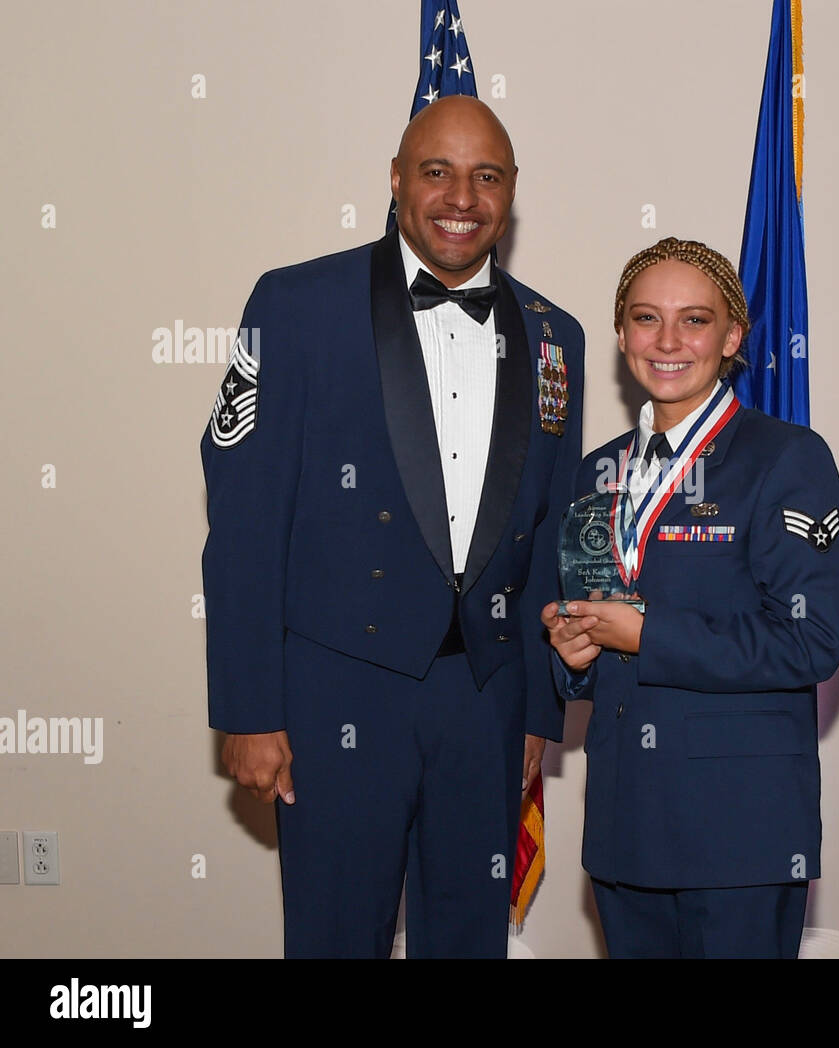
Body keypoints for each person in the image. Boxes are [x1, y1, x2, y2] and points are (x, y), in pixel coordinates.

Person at [201, 96, 584, 958]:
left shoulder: (559, 336)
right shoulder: (295, 304)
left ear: (511, 191)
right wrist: (250, 708)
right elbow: (244, 518)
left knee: (469, 940)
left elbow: (547, 528)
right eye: (436, 171)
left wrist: (538, 709)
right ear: (397, 180)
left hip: (486, 703)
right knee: (338, 937)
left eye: (486, 176)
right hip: (336, 693)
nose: (462, 196)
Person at [542, 237, 839, 958]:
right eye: (647, 319)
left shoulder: (786, 458)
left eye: (695, 320)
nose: (669, 341)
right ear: (621, 335)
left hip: (738, 836)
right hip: (625, 828)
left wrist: (647, 632)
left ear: (733, 336)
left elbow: (812, 640)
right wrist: (575, 653)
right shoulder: (597, 471)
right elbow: (595, 637)